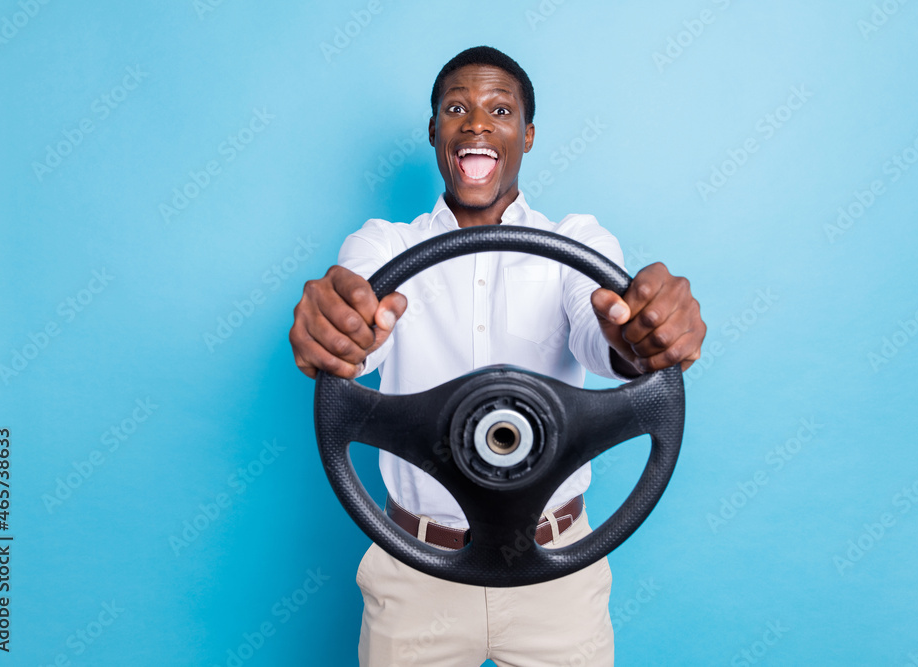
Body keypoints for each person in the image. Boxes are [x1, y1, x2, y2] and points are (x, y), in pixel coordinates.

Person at [290, 46, 706, 667]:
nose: (476, 123)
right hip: (414, 573)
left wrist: (640, 337)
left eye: (500, 110)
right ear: (435, 133)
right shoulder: (383, 244)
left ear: (528, 135)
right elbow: (360, 322)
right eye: (456, 108)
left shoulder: (576, 243)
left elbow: (606, 326)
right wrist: (343, 331)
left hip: (559, 572)